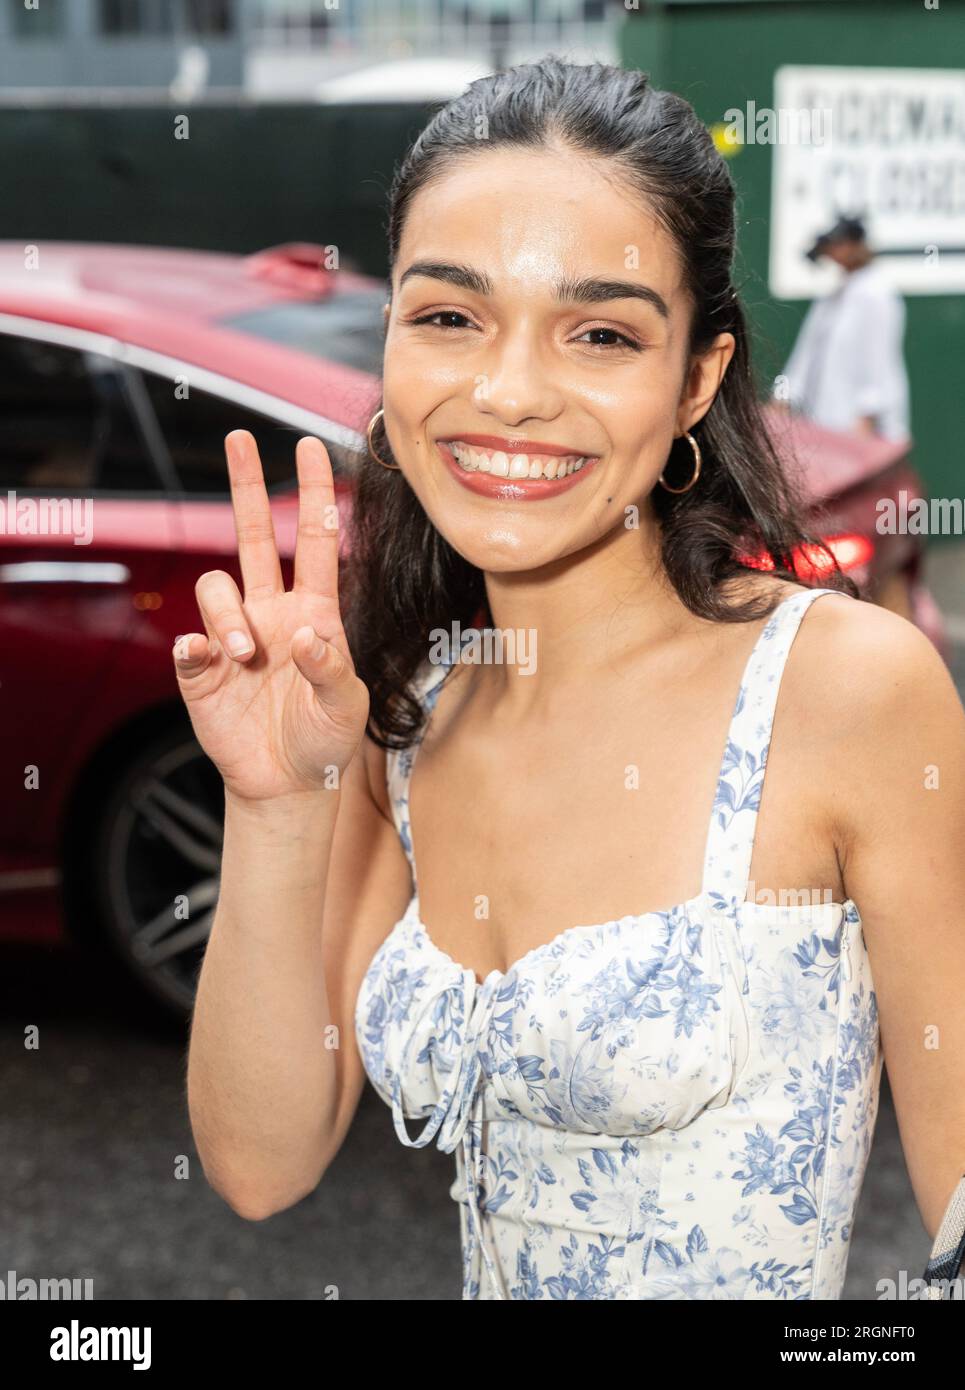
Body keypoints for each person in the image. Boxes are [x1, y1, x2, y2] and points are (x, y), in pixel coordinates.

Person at [177, 60, 965, 1300]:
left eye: (599, 333)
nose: (507, 393)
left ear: (694, 379)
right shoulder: (408, 711)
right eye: (448, 315)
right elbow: (258, 1163)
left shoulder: (841, 688)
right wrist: (278, 807)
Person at [775, 215, 911, 443]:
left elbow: (879, 361)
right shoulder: (831, 298)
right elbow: (806, 356)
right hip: (827, 429)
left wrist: (867, 418)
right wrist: (783, 397)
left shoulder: (878, 295)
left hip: (864, 433)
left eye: (840, 244)